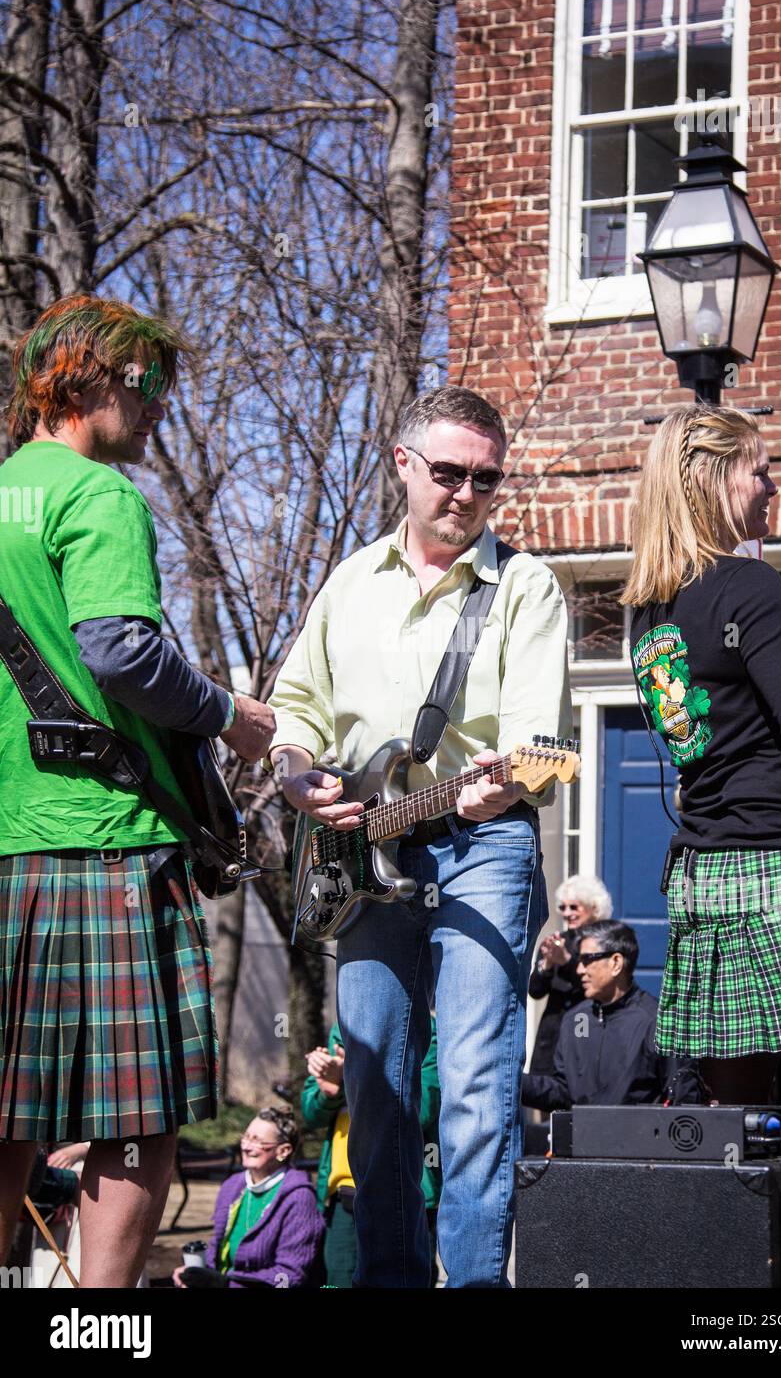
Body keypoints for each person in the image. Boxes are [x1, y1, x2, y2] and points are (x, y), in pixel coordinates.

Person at [268, 385, 572, 1287]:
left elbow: (543, 747)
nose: (468, 494)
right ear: (403, 465)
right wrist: (294, 774)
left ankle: (475, 1282)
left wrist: (503, 786)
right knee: (377, 1089)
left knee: (476, 1086)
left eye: (487, 479)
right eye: (449, 473)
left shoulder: (525, 587)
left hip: (484, 843)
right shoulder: (350, 583)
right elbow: (296, 710)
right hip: (360, 857)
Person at [0, 295, 275, 1288]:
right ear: (85, 379)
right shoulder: (99, 495)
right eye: (146, 383)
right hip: (107, 840)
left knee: (9, 1115)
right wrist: (226, 714)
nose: (159, 405)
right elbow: (119, 651)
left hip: (7, 849)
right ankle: (100, 1321)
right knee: (133, 1124)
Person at [621, 404, 781, 1152]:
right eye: (759, 471)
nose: (771, 488)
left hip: (706, 876)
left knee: (734, 1126)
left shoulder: (648, 611)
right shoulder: (747, 584)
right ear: (713, 479)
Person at [302, 1019, 441, 1287]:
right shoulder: (341, 1030)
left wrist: (350, 1080)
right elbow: (310, 1113)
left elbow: (421, 1111)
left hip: (405, 1194)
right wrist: (328, 1093)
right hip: (345, 1194)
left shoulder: (427, 1028)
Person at [522, 920, 701, 1111]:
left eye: (587, 959)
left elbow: (684, 1103)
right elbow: (563, 1093)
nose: (579, 969)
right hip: (583, 1139)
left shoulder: (660, 1023)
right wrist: (514, 1083)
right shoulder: (576, 1020)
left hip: (639, 1139)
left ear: (616, 963)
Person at [172, 1106, 323, 1289]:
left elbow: (289, 1275)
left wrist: (226, 1284)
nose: (246, 1146)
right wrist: (196, 1275)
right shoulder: (232, 1186)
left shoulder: (300, 1198)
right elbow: (218, 1250)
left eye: (257, 1141)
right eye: (246, 1137)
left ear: (283, 1151)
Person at [528, 874, 613, 1074]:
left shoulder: (606, 941)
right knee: (545, 1090)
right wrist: (547, 965)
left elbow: (599, 986)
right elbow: (535, 990)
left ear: (594, 907)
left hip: (586, 1024)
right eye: (563, 907)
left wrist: (566, 961)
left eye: (574, 907)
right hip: (553, 1029)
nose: (567, 913)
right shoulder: (555, 942)